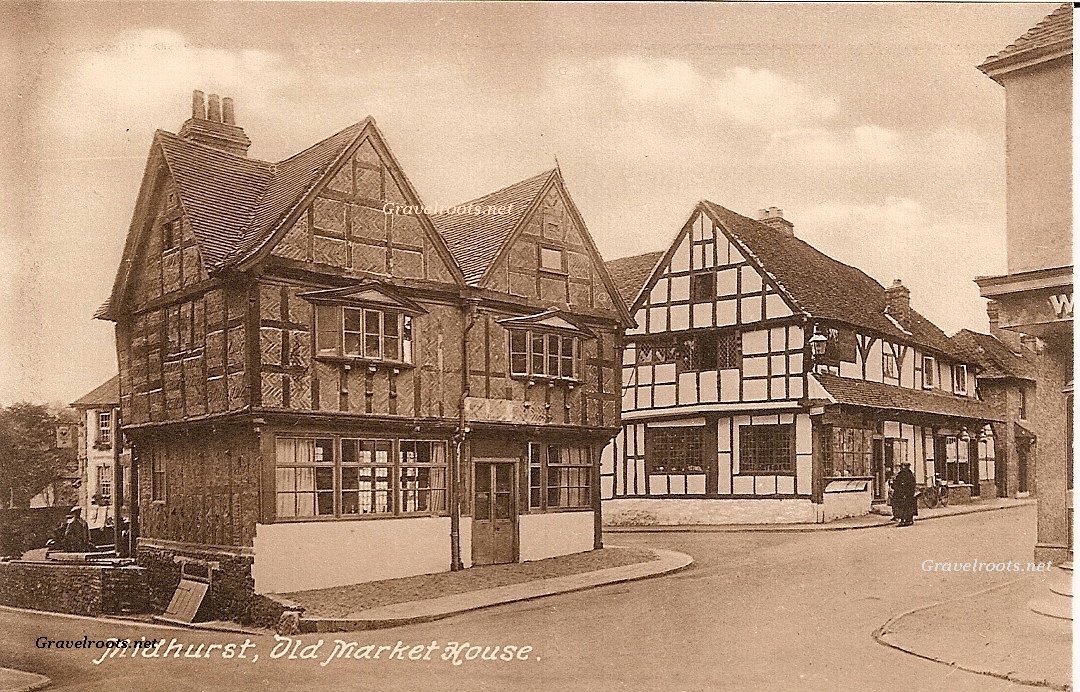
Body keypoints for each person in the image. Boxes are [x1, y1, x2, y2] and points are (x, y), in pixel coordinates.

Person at [892, 462, 917, 527]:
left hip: (905, 494)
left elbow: (911, 485)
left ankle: (906, 520)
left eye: (902, 466)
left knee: (905, 507)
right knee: (903, 507)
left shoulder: (907, 474)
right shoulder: (903, 474)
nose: (901, 467)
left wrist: (907, 493)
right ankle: (905, 520)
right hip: (902, 493)